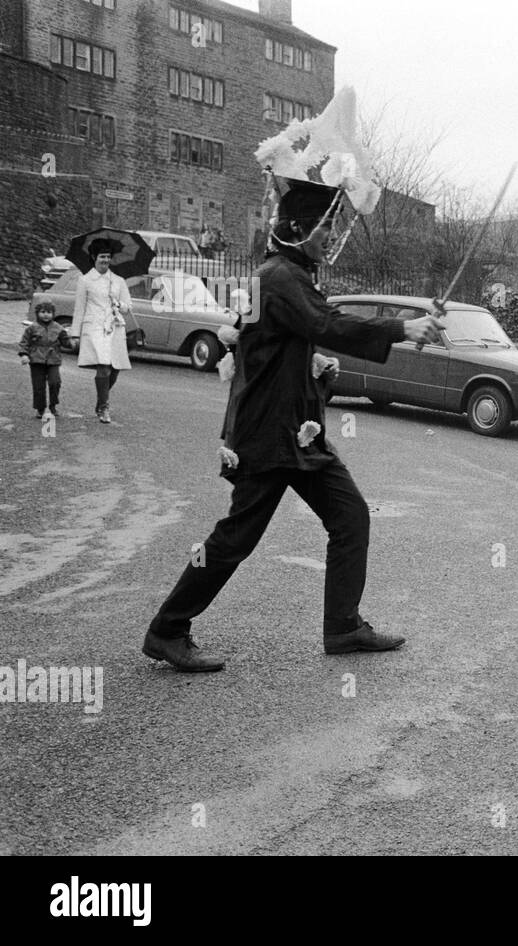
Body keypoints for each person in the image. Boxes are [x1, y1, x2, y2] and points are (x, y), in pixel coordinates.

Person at [142, 178, 445, 672]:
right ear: (299, 229)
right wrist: (402, 326)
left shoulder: (287, 274)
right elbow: (327, 324)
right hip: (267, 435)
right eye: (326, 229)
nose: (332, 238)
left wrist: (317, 369)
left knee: (350, 516)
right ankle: (167, 630)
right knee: (235, 537)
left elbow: (294, 340)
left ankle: (343, 627)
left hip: (295, 433)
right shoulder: (280, 276)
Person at [70, 239, 132, 424]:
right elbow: (79, 308)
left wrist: (118, 304)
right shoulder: (85, 280)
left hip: (115, 328)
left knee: (115, 369)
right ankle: (104, 407)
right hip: (94, 328)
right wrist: (75, 333)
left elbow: (128, 307)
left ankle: (100, 401)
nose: (105, 260)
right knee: (103, 367)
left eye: (108, 257)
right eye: (102, 256)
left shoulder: (119, 281)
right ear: (93, 257)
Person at [19, 301, 70, 418]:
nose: (46, 315)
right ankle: (40, 408)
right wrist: (24, 355)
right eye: (43, 312)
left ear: (53, 314)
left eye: (49, 312)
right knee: (38, 386)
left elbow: (66, 343)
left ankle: (53, 405)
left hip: (53, 360)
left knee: (55, 382)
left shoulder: (58, 328)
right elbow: (24, 343)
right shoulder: (32, 328)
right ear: (37, 313)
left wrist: (72, 341)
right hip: (36, 360)